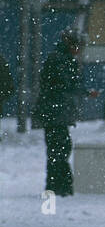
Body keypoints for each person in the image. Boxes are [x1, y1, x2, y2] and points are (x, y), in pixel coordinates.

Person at [33, 30, 89, 197]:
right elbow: (65, 85)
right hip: (56, 112)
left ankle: (56, 185)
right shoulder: (62, 60)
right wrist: (83, 91)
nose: (79, 51)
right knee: (60, 149)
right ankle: (60, 186)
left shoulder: (57, 59)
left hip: (53, 112)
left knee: (57, 149)